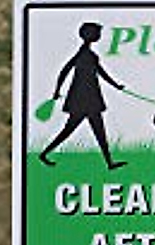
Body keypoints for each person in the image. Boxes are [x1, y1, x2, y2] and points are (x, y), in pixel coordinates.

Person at [39, 22, 126, 170]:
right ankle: (45, 154)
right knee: (73, 130)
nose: (99, 35)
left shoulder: (88, 54)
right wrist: (57, 90)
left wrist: (116, 86)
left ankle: (109, 163)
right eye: (97, 33)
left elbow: (100, 73)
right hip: (83, 98)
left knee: (97, 131)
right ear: (91, 35)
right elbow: (65, 71)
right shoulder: (85, 54)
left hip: (89, 97)